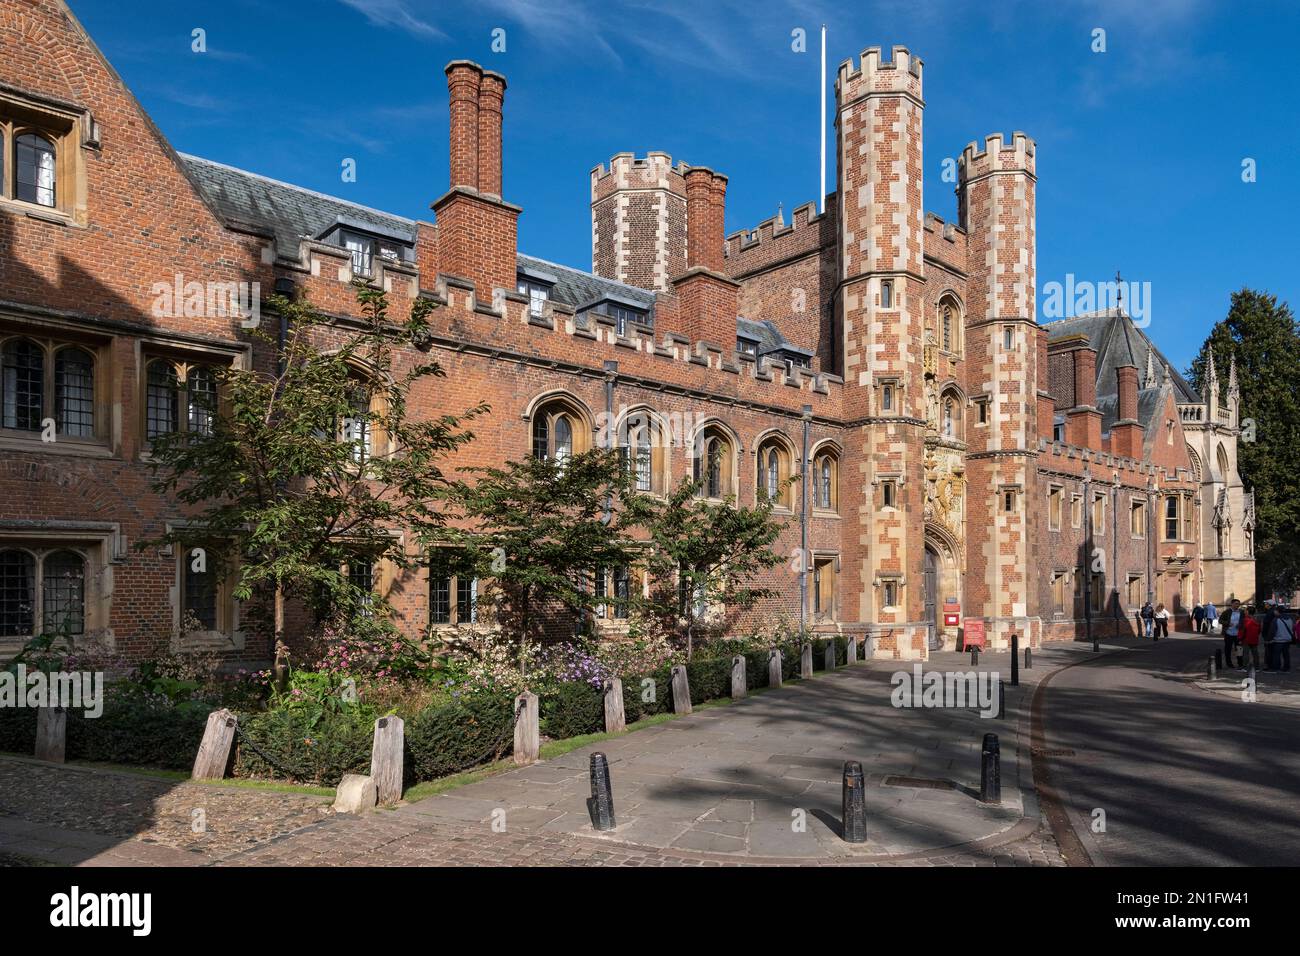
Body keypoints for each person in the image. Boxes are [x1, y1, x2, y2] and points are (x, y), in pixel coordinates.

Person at [1265, 608, 1293, 672]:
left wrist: (1268, 639)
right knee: (1286, 654)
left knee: (1276, 654)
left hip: (1279, 640)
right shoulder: (1290, 619)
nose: (1274, 612)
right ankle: (1286, 667)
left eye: (1275, 611)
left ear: (1278, 612)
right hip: (1287, 639)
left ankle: (1276, 667)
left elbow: (1272, 631)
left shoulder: (1276, 620)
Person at [1220, 599, 1244, 665]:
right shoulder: (1227, 612)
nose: (1237, 605)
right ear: (1232, 604)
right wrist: (1227, 623)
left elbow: (1243, 621)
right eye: (1236, 603)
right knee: (1228, 649)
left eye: (1238, 604)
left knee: (1239, 648)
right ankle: (1229, 663)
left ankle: (1240, 663)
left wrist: (1240, 625)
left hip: (1238, 634)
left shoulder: (1241, 612)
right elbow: (1220, 620)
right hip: (1228, 633)